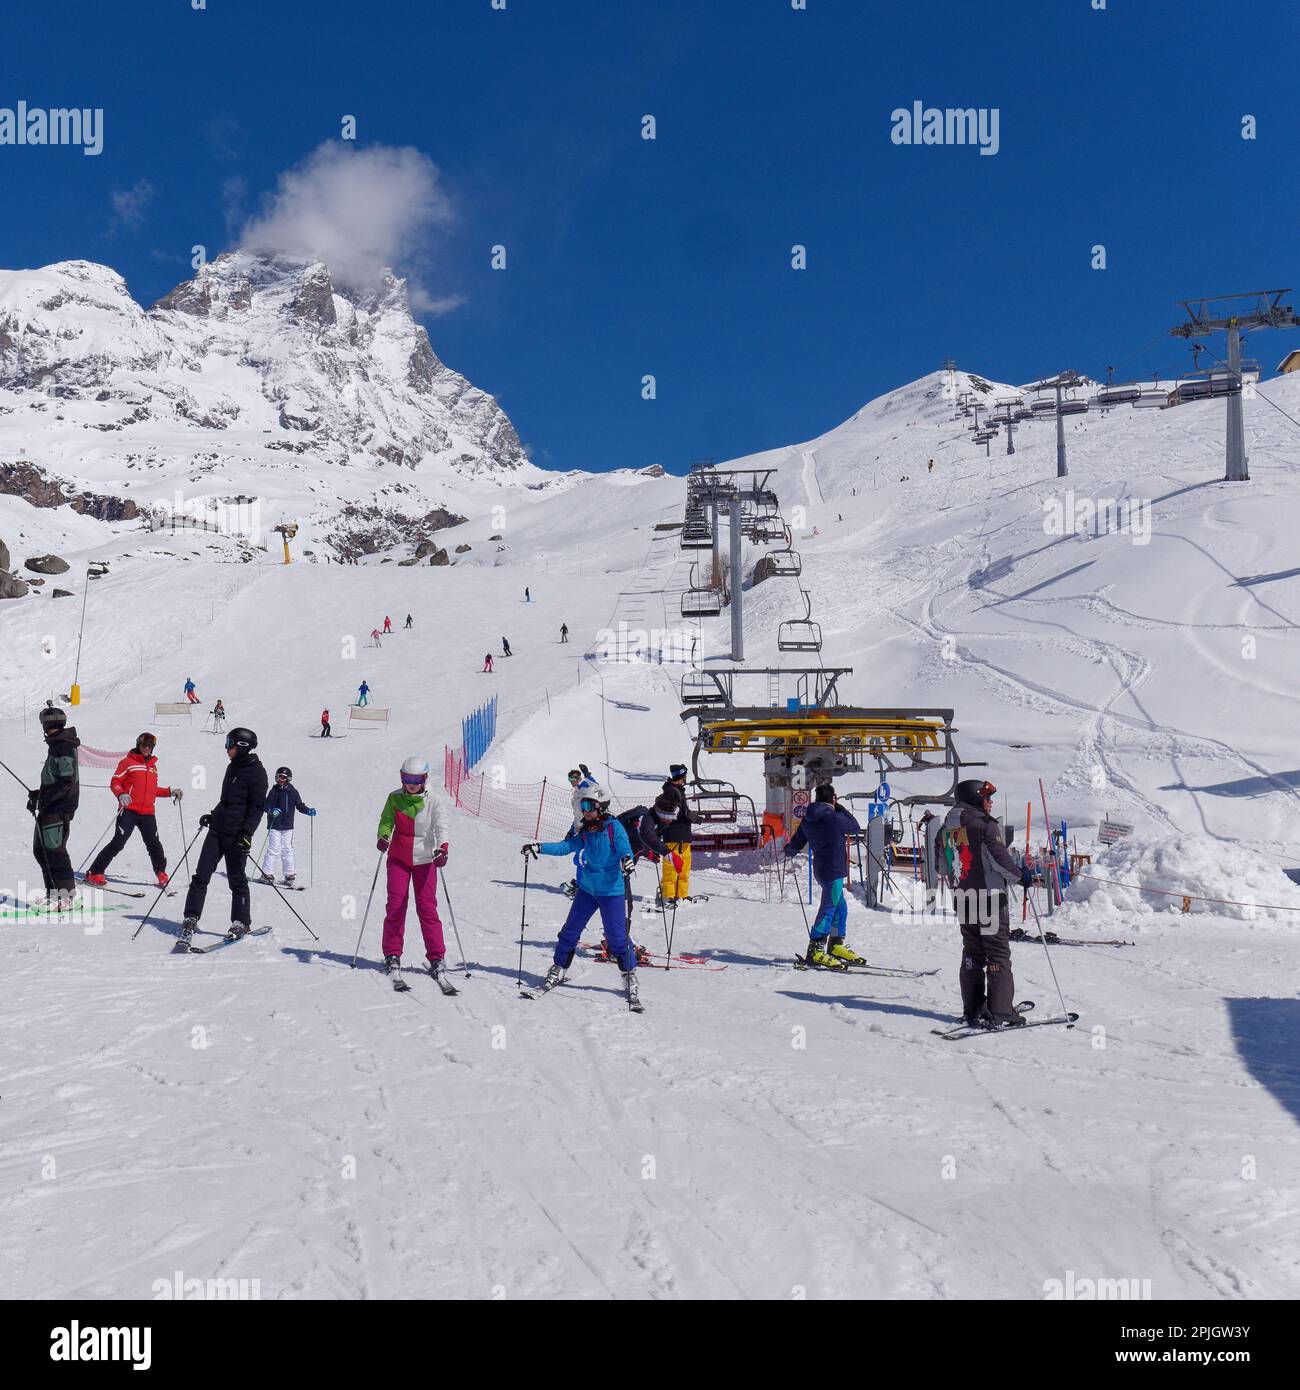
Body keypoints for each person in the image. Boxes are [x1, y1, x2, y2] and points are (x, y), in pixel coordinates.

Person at [522, 785, 642, 1008]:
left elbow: (626, 849)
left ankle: (629, 974)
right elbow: (565, 846)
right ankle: (558, 969)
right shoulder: (586, 831)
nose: (584, 811)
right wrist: (540, 847)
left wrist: (627, 861)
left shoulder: (613, 828)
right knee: (570, 931)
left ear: (601, 807)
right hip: (587, 890)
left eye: (589, 806)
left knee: (616, 938)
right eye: (582, 806)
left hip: (611, 892)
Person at [936, 778, 1032, 1028]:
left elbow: (942, 866)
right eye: (987, 798)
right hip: (989, 899)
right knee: (997, 952)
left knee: (972, 952)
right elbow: (1001, 860)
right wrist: (1022, 876)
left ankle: (973, 1008)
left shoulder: (944, 829)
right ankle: (1001, 1011)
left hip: (963, 898)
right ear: (976, 799)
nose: (991, 803)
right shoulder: (984, 826)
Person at [180, 727, 268, 946]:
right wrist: (213, 815)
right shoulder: (233, 767)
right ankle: (191, 916)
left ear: (243, 746)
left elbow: (257, 807)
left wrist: (247, 833)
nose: (227, 748)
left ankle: (241, 921)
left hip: (237, 835)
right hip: (218, 830)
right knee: (201, 875)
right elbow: (227, 800)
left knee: (237, 879)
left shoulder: (257, 772)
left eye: (231, 743)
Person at [375, 756, 452, 986]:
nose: (411, 783)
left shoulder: (434, 801)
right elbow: (386, 820)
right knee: (396, 906)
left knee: (427, 908)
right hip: (398, 859)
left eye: (416, 779)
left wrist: (443, 849)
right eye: (407, 778)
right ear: (402, 777)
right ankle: (392, 954)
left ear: (424, 779)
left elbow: (441, 827)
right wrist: (383, 836)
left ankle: (436, 957)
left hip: (425, 861)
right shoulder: (394, 798)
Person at [783, 783, 864, 970]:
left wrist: (790, 850)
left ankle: (835, 945)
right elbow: (854, 827)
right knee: (829, 908)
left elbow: (798, 840)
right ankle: (816, 948)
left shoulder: (808, 818)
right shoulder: (835, 817)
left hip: (822, 869)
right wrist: (841, 809)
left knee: (839, 907)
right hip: (834, 870)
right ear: (833, 799)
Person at [85, 733, 181, 888]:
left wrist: (169, 792)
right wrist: (121, 793)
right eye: (144, 745)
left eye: (150, 746)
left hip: (148, 813)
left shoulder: (153, 767)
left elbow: (151, 790)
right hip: (129, 810)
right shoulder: (127, 762)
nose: (147, 748)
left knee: (154, 844)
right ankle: (95, 872)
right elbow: (115, 781)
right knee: (118, 843)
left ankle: (161, 873)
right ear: (139, 745)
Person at [27, 703, 80, 909]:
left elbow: (66, 781)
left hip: (58, 808)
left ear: (47, 725)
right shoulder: (57, 744)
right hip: (50, 806)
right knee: (41, 850)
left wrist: (47, 799)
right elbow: (55, 780)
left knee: (54, 851)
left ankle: (65, 898)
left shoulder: (63, 745)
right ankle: (53, 894)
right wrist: (38, 795)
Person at [259, 767, 316, 886]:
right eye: (279, 777)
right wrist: (271, 810)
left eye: (284, 777)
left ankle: (289, 874)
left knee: (287, 849)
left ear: (288, 779)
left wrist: (308, 810)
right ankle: (267, 874)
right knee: (273, 849)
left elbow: (300, 805)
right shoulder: (273, 791)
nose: (281, 779)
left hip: (287, 825)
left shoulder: (292, 792)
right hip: (274, 825)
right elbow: (266, 805)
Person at [656, 763, 696, 906]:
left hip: (683, 836)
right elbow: (673, 813)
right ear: (681, 776)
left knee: (684, 868)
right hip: (673, 836)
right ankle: (669, 896)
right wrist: (691, 817)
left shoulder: (679, 791)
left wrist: (691, 817)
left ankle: (682, 895)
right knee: (671, 869)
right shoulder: (672, 792)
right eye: (685, 775)